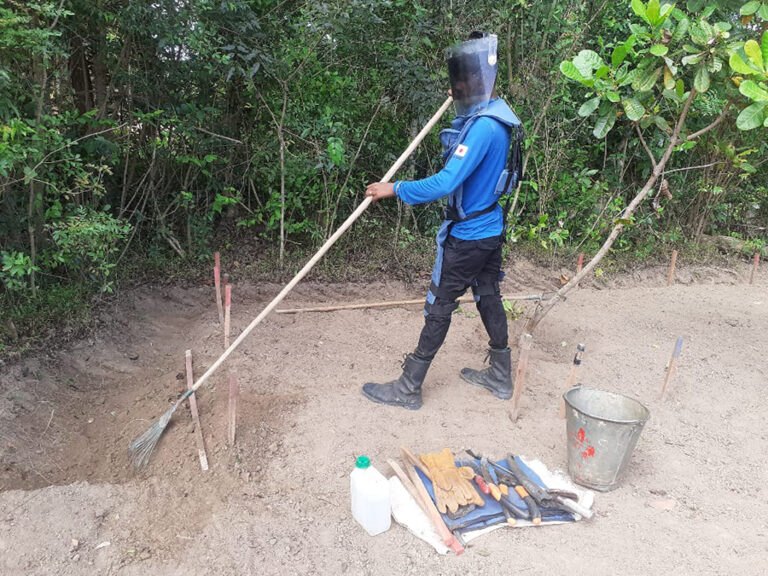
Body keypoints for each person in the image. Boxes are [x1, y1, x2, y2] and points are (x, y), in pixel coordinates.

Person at [362, 32, 524, 410]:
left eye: (462, 79)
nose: (456, 87)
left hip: (468, 237)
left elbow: (446, 182)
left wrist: (395, 188)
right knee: (487, 296)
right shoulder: (497, 116)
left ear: (478, 79)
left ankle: (408, 388)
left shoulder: (484, 127)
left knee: (439, 304)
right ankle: (500, 376)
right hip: (490, 230)